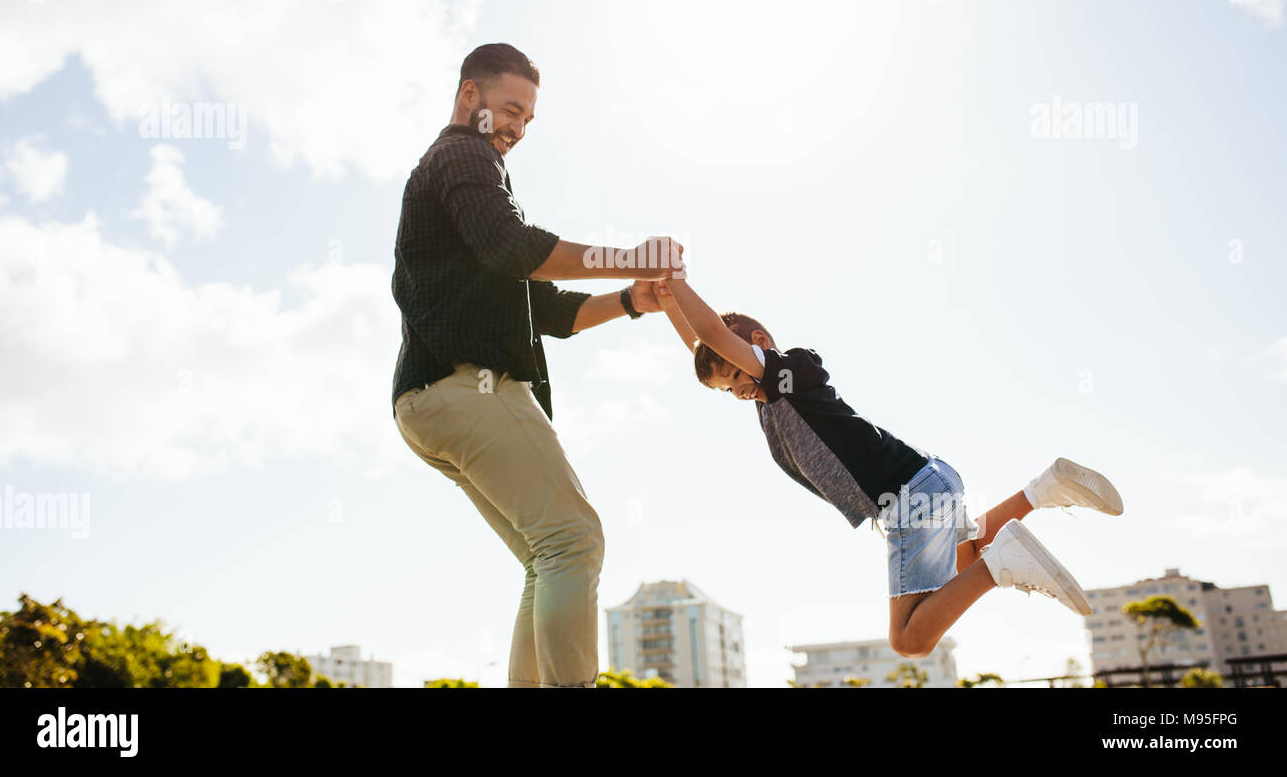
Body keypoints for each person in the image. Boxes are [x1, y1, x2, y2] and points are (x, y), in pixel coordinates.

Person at [390, 43, 683, 687]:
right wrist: (632, 258)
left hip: (428, 406)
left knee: (546, 557)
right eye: (510, 110)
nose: (518, 128)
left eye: (528, 119)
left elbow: (549, 310)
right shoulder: (464, 155)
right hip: (468, 388)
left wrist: (633, 300)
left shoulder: (468, 180)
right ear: (470, 96)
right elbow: (512, 247)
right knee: (575, 542)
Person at [652, 276, 1124, 658]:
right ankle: (1042, 490)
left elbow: (714, 336)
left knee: (910, 640)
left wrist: (677, 277)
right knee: (967, 553)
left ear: (757, 344)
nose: (741, 392)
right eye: (729, 392)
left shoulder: (787, 373)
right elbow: (704, 345)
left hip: (908, 497)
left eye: (738, 376)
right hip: (927, 481)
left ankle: (1002, 567)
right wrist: (669, 299)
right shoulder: (767, 396)